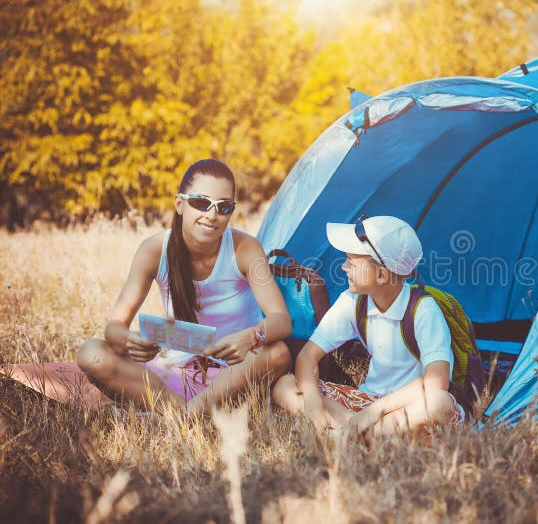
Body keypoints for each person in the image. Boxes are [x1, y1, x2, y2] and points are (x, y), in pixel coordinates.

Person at [77, 159, 291, 415]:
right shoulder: (154, 250)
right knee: (91, 353)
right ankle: (191, 415)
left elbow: (281, 320)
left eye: (224, 207)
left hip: (234, 375)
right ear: (180, 204)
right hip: (172, 374)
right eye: (201, 203)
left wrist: (251, 336)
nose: (212, 215)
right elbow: (114, 328)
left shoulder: (245, 248)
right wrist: (130, 340)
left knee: (278, 353)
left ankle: (184, 417)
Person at [272, 215, 464, 437]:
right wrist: (314, 405)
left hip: (407, 407)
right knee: (286, 385)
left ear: (381, 274)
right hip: (365, 403)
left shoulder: (423, 310)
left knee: (439, 402)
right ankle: (362, 434)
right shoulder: (353, 302)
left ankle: (348, 433)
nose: (343, 267)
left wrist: (374, 412)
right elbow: (307, 357)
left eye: (351, 262)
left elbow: (437, 380)